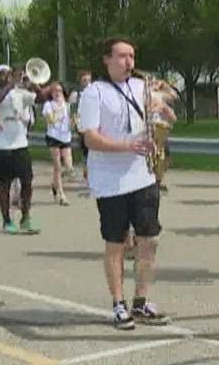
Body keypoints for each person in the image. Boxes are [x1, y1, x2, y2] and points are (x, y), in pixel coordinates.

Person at [76, 37, 171, 330]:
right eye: (122, 56)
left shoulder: (142, 87)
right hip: (110, 180)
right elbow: (90, 138)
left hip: (143, 174)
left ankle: (141, 302)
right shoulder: (94, 93)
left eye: (132, 55)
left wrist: (164, 111)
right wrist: (128, 146)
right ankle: (119, 304)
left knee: (149, 240)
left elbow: (165, 117)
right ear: (106, 59)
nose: (129, 61)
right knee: (116, 243)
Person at [0, 65, 39, 235]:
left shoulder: (19, 94)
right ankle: (7, 220)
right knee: (5, 184)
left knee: (27, 183)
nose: (8, 76)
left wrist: (34, 83)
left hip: (20, 144)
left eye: (9, 74)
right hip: (2, 146)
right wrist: (11, 84)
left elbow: (40, 98)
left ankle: (26, 217)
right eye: (4, 74)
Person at [42, 81, 74, 206]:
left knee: (68, 166)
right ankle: (61, 194)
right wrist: (59, 110)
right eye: (54, 91)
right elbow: (50, 120)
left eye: (59, 90)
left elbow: (71, 124)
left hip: (65, 137)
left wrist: (74, 121)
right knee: (58, 166)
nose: (57, 93)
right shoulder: (48, 105)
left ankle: (55, 184)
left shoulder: (68, 105)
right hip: (53, 137)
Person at [70, 70, 93, 186]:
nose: (87, 83)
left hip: (93, 125)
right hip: (82, 127)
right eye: (85, 80)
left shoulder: (94, 93)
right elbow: (73, 111)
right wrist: (75, 124)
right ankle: (87, 173)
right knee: (87, 151)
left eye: (89, 80)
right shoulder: (76, 95)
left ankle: (91, 174)